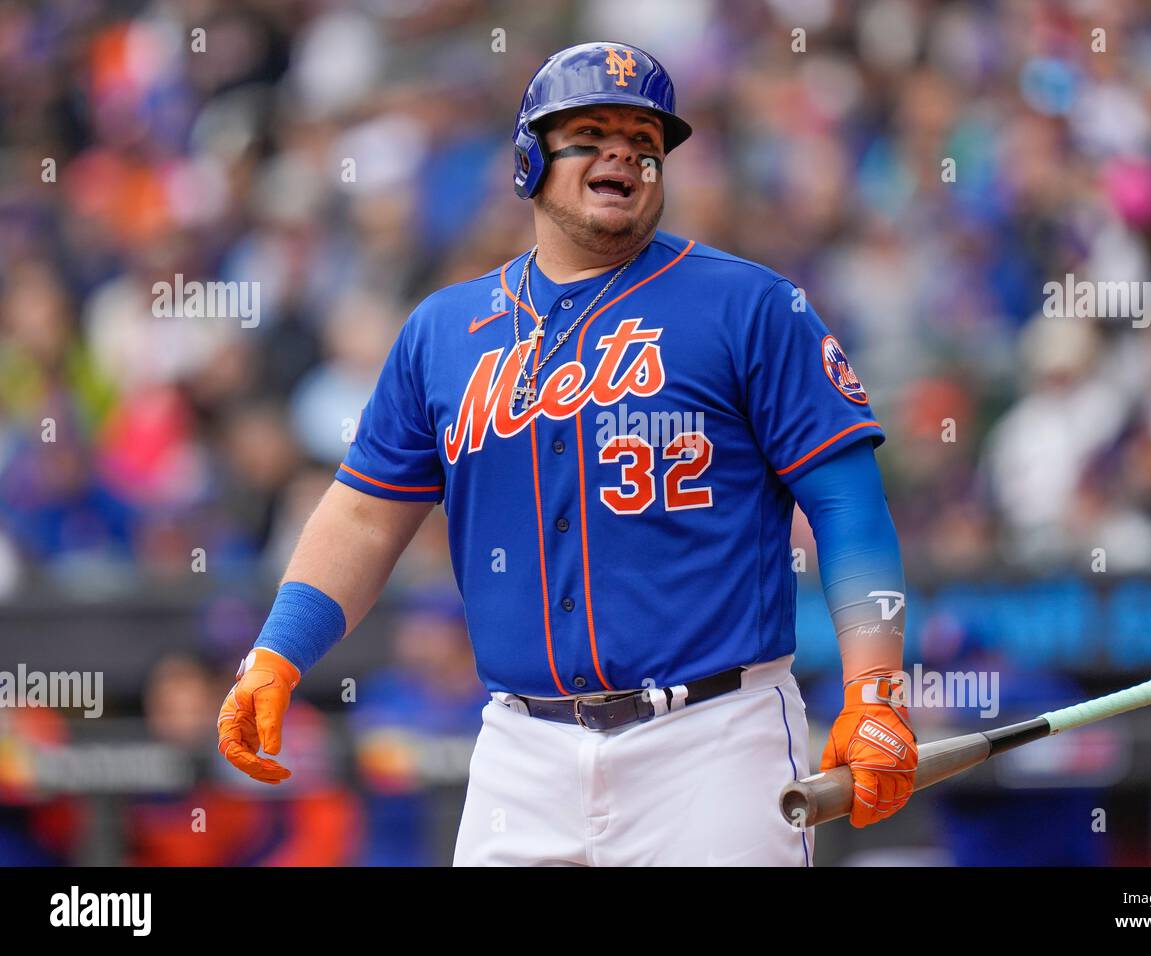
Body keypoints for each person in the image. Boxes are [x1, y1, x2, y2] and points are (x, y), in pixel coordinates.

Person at [217, 41, 914, 866]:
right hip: (521, 748)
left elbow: (846, 501)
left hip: (714, 738)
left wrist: (875, 684)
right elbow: (367, 515)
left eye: (645, 141)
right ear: (528, 160)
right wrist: (277, 652)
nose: (624, 150)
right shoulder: (443, 331)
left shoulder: (751, 304)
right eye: (591, 131)